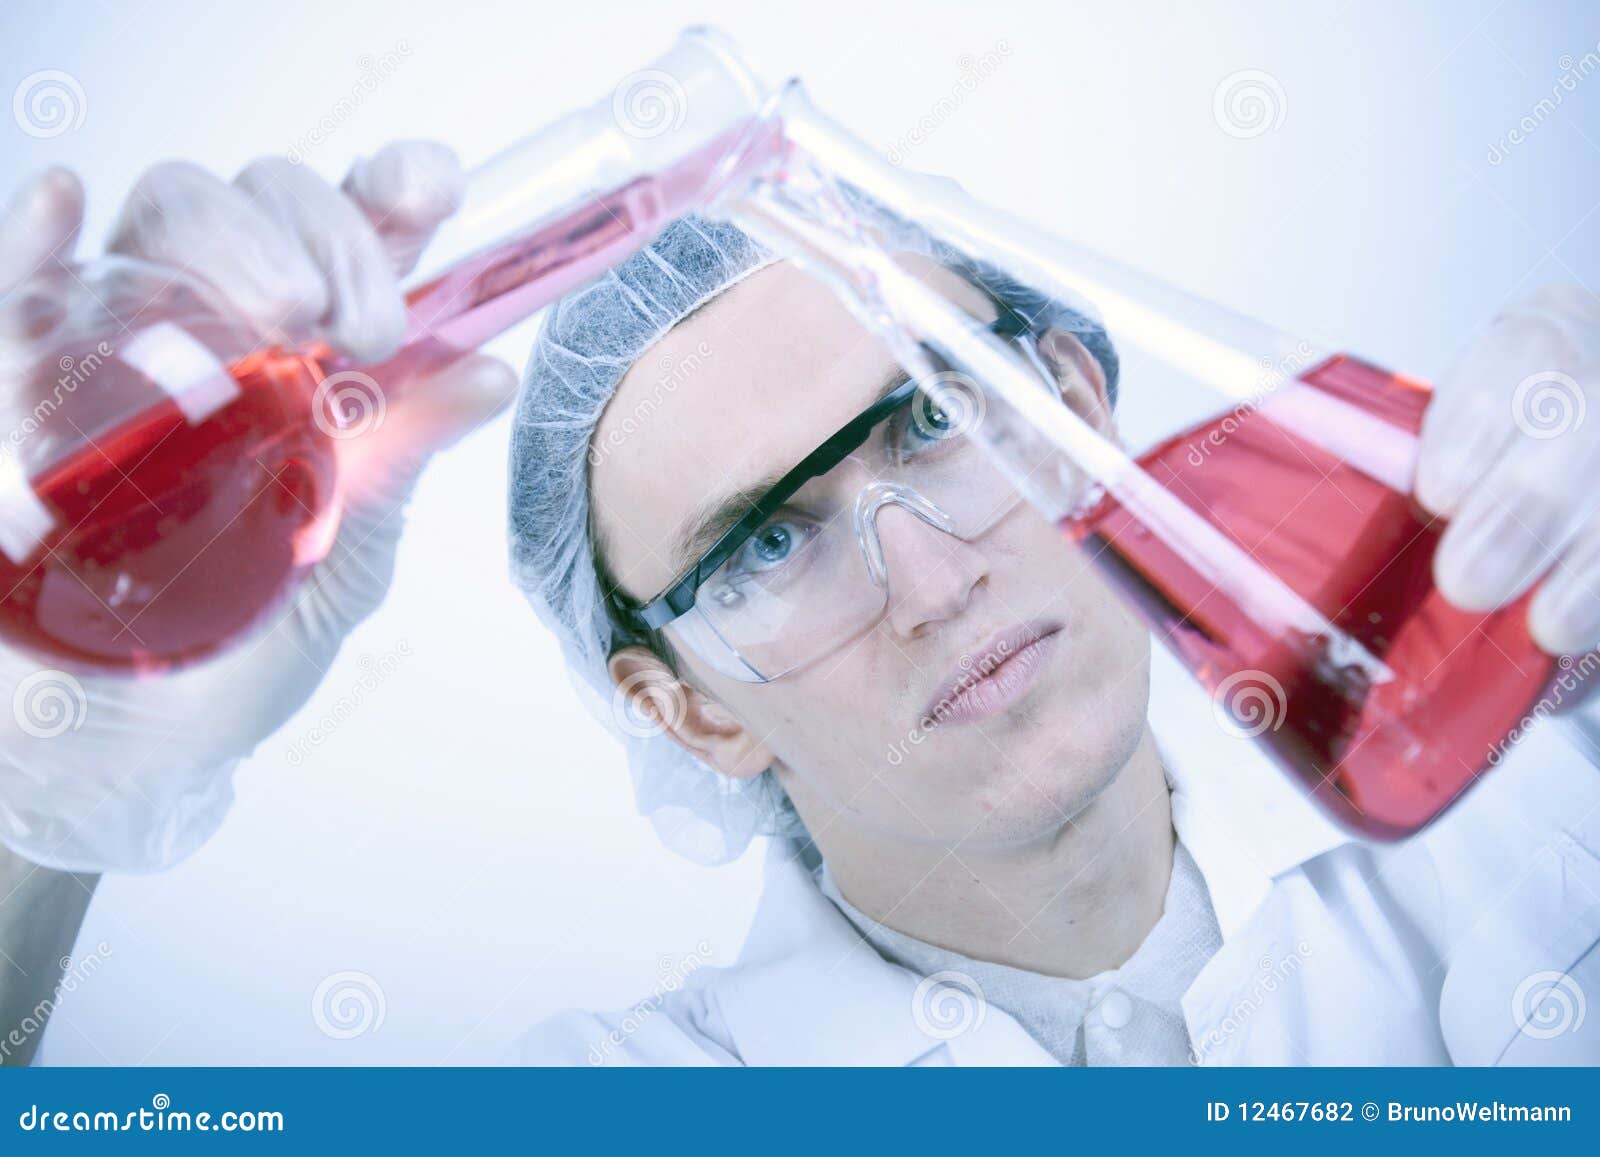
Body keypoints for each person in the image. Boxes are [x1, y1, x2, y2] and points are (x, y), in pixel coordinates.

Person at [3, 139, 1599, 1066]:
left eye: (931, 416)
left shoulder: (1541, 809)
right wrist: (37, 792)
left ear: (1076, 408)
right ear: (680, 702)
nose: (928, 576)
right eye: (766, 542)